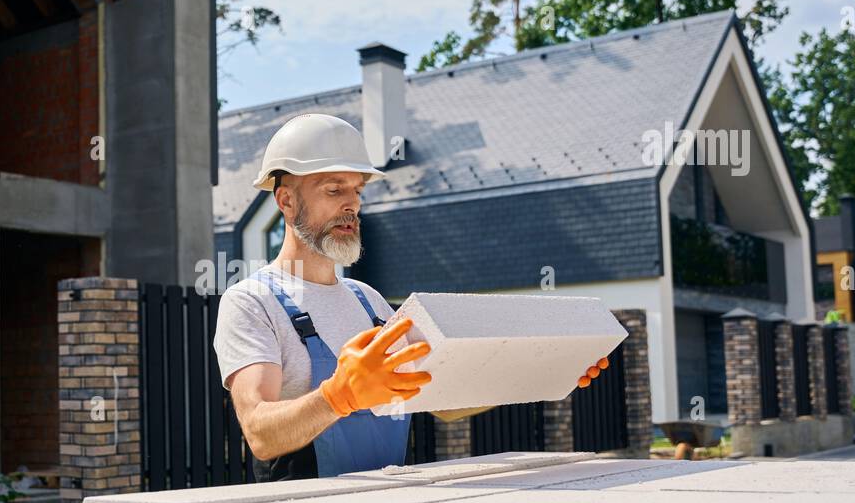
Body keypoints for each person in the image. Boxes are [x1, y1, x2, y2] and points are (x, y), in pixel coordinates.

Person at [213, 113, 607, 482]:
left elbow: (444, 402)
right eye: (334, 189)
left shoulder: (369, 302)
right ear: (286, 201)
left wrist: (546, 372)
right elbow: (260, 433)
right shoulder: (252, 302)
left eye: (357, 190)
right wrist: (340, 395)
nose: (351, 204)